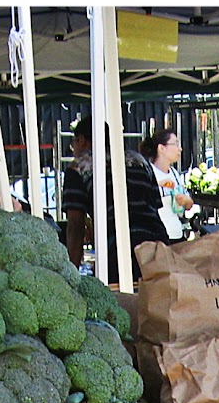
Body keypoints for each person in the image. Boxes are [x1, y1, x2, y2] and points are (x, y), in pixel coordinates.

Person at [60, 118, 172, 282]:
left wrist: (71, 275)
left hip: (119, 248)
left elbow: (75, 226)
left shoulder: (78, 167)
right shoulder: (140, 160)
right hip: (158, 243)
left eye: (73, 144)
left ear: (81, 140)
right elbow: (154, 206)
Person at [140, 128, 195, 241]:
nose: (180, 149)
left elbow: (189, 204)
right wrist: (159, 184)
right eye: (175, 144)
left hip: (176, 234)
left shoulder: (174, 173)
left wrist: (186, 200)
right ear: (161, 148)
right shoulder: (148, 172)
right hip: (157, 237)